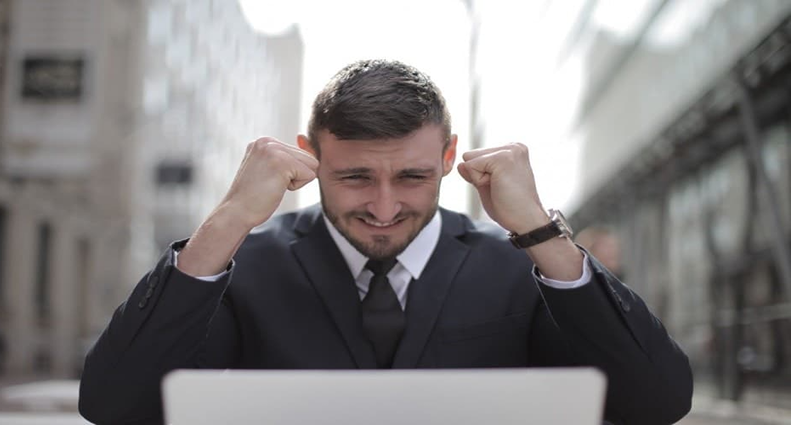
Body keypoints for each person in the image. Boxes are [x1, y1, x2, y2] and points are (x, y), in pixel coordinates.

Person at [79, 60, 692, 425]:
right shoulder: (245, 266)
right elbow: (113, 402)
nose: (382, 206)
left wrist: (538, 229)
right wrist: (229, 219)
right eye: (353, 177)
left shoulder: (521, 269)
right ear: (311, 157)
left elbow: (657, 400)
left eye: (412, 176)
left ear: (449, 157)